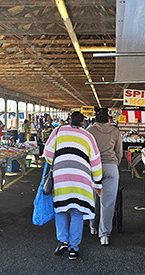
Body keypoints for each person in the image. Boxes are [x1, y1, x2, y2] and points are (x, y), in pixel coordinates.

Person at [44, 111, 103, 260]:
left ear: (69, 120)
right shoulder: (88, 136)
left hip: (61, 176)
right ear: (83, 122)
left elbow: (48, 153)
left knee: (61, 208)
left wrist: (57, 162)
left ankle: (63, 240)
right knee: (77, 212)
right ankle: (73, 249)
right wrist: (97, 183)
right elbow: (96, 161)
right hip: (81, 179)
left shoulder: (57, 131)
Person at [87, 107, 123, 245]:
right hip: (111, 168)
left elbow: (86, 150)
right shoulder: (115, 131)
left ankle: (92, 226)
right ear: (109, 118)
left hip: (93, 167)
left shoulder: (89, 131)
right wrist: (114, 164)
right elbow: (119, 152)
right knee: (107, 202)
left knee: (94, 197)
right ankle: (104, 235)